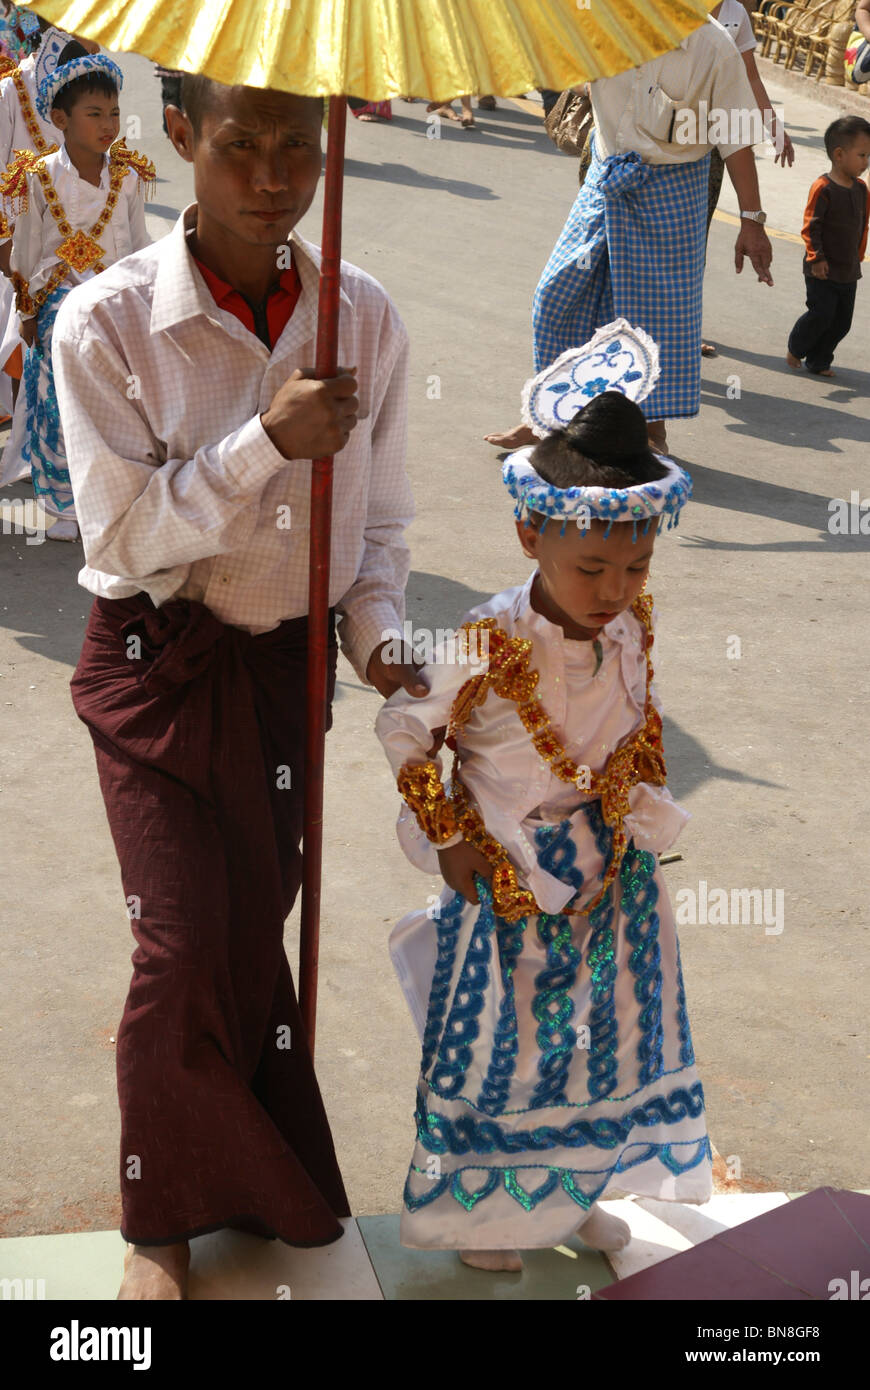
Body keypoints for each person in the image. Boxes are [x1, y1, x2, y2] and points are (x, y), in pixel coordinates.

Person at [52, 72, 423, 1300]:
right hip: (159, 664)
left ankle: (259, 1175)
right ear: (180, 139)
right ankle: (157, 1216)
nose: (273, 179)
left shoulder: (362, 316)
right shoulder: (102, 324)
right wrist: (266, 440)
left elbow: (380, 530)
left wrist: (378, 643)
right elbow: (117, 540)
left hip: (283, 673)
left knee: (249, 932)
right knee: (177, 934)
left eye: (298, 149)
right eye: (239, 146)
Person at [377, 326, 710, 1270]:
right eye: (592, 569)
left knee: (609, 1039)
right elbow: (406, 732)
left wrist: (642, 794)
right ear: (532, 533)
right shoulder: (487, 641)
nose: (616, 589)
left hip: (614, 874)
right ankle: (489, 1218)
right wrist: (447, 839)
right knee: (511, 1051)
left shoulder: (634, 622)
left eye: (636, 566)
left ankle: (572, 1199)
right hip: (513, 878)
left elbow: (639, 717)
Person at [485, 16, 773, 457]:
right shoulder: (598, 22)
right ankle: (548, 418)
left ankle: (651, 432)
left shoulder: (714, 46)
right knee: (556, 295)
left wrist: (752, 221)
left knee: (657, 317)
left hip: (674, 187)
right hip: (608, 174)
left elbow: (735, 140)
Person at [2, 49, 153, 540]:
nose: (108, 124)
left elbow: (138, 242)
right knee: (55, 403)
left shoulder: (128, 176)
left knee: (115, 404)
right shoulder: (40, 176)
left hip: (115, 305)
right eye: (95, 114)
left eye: (113, 113)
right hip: (56, 307)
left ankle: (111, 496)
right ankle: (65, 504)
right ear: (60, 119)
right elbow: (24, 251)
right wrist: (27, 308)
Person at [701, 1, 794, 357]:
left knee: (693, 239)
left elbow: (749, 76)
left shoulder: (735, 13)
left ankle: (680, 324)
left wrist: (774, 126)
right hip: (643, 143)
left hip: (707, 147)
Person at [787, 116, 870, 379]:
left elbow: (863, 224)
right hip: (821, 268)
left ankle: (819, 359)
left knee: (841, 323)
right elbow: (811, 227)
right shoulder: (823, 188)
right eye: (863, 155)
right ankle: (796, 348)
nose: (867, 162)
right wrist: (816, 258)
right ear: (839, 154)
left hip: (848, 269)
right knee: (821, 314)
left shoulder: (861, 189)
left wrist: (858, 257)